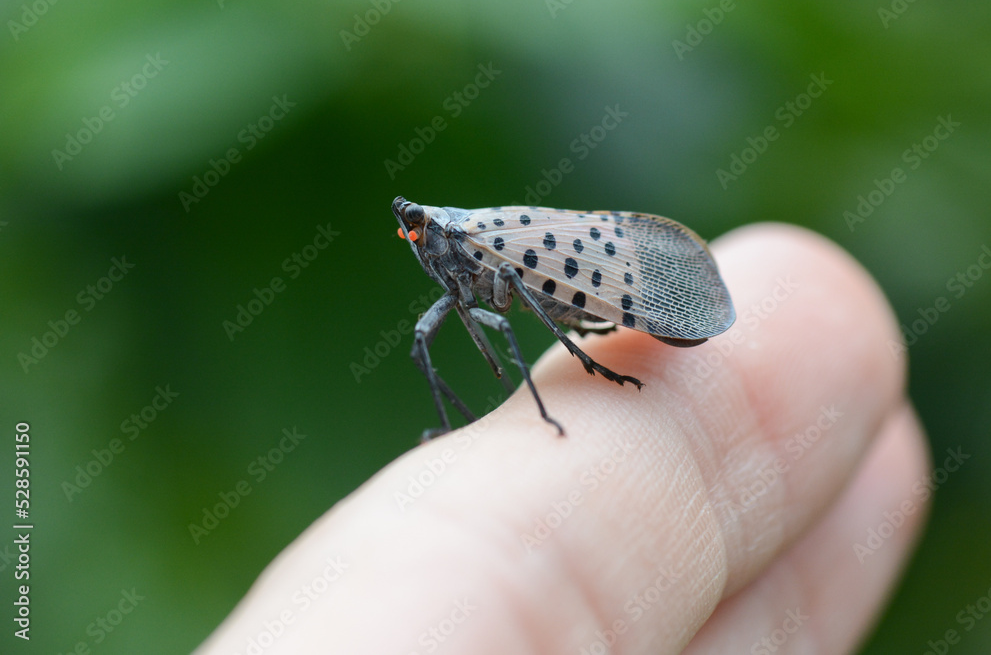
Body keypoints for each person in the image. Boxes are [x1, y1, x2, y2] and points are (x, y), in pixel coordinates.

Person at [198, 224, 927, 654]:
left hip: (561, 274)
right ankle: (453, 429)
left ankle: (570, 366)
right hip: (535, 296)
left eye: (422, 236)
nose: (420, 247)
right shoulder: (448, 264)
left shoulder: (475, 240)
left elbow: (507, 311)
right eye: (414, 239)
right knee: (423, 340)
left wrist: (575, 367)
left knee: (493, 324)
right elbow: (477, 316)